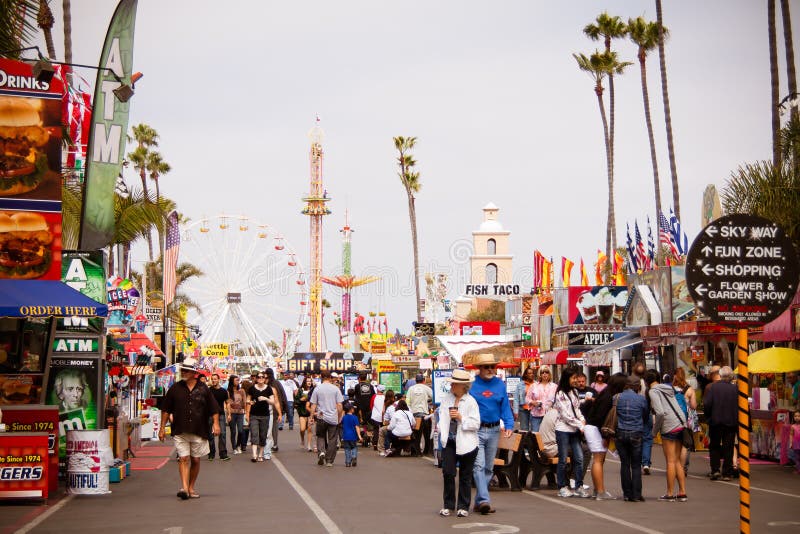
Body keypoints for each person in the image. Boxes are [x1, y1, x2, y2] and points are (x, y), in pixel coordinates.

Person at [158, 357, 220, 500]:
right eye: (183, 370)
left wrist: (216, 424)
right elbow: (166, 409)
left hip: (199, 429)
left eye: (187, 370)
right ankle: (184, 488)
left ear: (194, 373)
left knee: (196, 460)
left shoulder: (203, 388)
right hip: (180, 429)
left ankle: (191, 487)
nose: (184, 372)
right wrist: (162, 428)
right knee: (183, 458)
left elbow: (214, 408)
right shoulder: (175, 388)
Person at [469, 353, 514, 515]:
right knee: (478, 466)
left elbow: (505, 407)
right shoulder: (471, 385)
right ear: (479, 368)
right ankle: (485, 500)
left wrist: (509, 424)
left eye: (492, 366)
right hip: (477, 430)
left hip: (495, 430)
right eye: (486, 366)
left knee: (488, 468)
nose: (489, 369)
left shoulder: (500, 385)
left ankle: (479, 501)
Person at [437, 369, 480, 518]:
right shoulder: (446, 399)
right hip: (449, 441)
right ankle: (448, 505)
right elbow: (441, 417)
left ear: (463, 386)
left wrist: (461, 418)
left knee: (465, 475)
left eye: (455, 384)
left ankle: (463, 506)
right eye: (452, 383)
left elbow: (476, 424)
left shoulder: (470, 401)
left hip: (467, 443)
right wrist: (440, 430)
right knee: (448, 472)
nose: (452, 386)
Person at [646, 370, 688, 502]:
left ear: (647, 381)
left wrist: (654, 432)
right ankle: (682, 492)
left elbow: (660, 413)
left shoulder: (653, 391)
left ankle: (669, 493)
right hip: (681, 422)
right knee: (677, 461)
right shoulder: (668, 387)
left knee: (670, 461)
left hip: (669, 426)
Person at [585, 373, 627, 500]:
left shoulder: (606, 393)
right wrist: (605, 435)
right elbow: (600, 417)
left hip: (592, 427)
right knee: (598, 459)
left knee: (598, 460)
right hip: (595, 429)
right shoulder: (608, 396)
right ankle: (600, 491)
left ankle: (597, 490)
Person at [554, 367, 590, 498]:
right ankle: (562, 486)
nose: (576, 380)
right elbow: (565, 415)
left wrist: (582, 420)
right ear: (567, 379)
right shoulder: (560, 394)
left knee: (579, 458)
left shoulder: (574, 392)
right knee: (563, 459)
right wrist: (580, 424)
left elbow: (577, 409)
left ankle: (579, 485)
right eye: (573, 378)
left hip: (574, 430)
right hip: (563, 430)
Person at [616, 375, 649, 502]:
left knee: (624, 464)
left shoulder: (617, 397)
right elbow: (645, 416)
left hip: (621, 432)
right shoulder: (641, 399)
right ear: (637, 386)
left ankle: (626, 493)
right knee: (635, 465)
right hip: (636, 432)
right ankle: (636, 494)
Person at [704, 365, 738, 482]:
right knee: (728, 447)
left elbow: (707, 404)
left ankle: (715, 470)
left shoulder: (713, 388)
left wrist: (708, 417)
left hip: (715, 421)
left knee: (714, 446)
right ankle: (727, 473)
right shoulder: (735, 389)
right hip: (731, 422)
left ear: (721, 375)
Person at [309, 369, 344, 467]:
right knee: (332, 439)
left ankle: (321, 452)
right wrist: (339, 416)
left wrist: (312, 416)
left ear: (321, 377)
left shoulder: (317, 389)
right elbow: (340, 405)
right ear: (330, 378)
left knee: (320, 436)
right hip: (333, 417)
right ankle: (329, 460)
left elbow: (313, 404)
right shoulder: (335, 389)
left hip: (321, 416)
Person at [245, 371, 275, 462]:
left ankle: (260, 454)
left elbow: (273, 402)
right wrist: (250, 402)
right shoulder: (252, 388)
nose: (261, 378)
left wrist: (265, 398)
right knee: (254, 434)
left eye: (263, 377)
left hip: (265, 415)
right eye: (259, 377)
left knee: (263, 435)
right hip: (254, 415)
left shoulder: (268, 389)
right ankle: (254, 455)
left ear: (265, 379)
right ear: (256, 379)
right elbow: (247, 400)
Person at [673, 368, 697, 474]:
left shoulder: (670, 389)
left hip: (672, 420)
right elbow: (694, 406)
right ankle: (683, 468)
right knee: (685, 445)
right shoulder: (689, 389)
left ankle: (674, 466)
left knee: (673, 444)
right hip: (685, 420)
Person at [632, 362, 653, 475]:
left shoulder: (632, 382)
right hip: (646, 412)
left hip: (635, 413)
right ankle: (645, 463)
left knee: (636, 439)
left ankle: (637, 462)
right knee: (647, 438)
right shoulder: (647, 383)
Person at [406, 374, 433, 454]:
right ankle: (426, 451)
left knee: (416, 435)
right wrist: (427, 399)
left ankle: (415, 452)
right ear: (423, 380)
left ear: (415, 381)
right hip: (424, 415)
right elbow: (433, 397)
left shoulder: (411, 389)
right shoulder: (427, 388)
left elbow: (408, 401)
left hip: (414, 415)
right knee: (426, 435)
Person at [525, 365, 556, 432]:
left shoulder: (554, 386)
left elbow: (558, 401)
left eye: (546, 372)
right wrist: (533, 402)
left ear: (549, 374)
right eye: (542, 372)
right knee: (536, 435)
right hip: (536, 415)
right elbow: (527, 399)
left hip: (550, 416)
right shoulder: (534, 386)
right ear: (540, 374)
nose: (544, 374)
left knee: (549, 436)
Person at [207, 374, 230, 461]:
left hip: (221, 414)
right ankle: (211, 453)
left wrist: (229, 414)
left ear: (219, 380)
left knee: (223, 433)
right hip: (210, 415)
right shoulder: (208, 391)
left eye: (215, 379)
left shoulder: (224, 391)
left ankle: (223, 454)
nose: (214, 381)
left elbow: (227, 402)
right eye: (212, 379)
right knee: (210, 435)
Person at [265, 369, 285, 452]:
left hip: (272, 409)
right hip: (276, 408)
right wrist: (284, 408)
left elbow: (282, 396)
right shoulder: (277, 383)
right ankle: (274, 444)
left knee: (270, 428)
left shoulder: (269, 384)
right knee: (273, 428)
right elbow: (283, 395)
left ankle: (272, 444)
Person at [226, 375, 246, 455]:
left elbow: (244, 402)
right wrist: (229, 414)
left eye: (238, 380)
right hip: (232, 413)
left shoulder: (242, 391)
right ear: (232, 381)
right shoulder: (228, 392)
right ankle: (234, 447)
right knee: (233, 431)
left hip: (240, 413)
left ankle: (238, 445)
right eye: (236, 380)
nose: (238, 382)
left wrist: (246, 410)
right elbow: (228, 403)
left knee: (241, 431)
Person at [295, 376, 315, 451]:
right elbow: (296, 401)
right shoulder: (300, 390)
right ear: (304, 382)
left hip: (310, 412)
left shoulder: (313, 390)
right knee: (302, 429)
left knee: (310, 429)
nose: (309, 382)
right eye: (307, 381)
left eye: (310, 381)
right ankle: (302, 439)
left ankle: (309, 445)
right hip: (302, 412)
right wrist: (301, 399)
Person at [514, 366, 536, 431]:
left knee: (534, 428)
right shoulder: (520, 385)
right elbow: (516, 398)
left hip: (534, 409)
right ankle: (524, 441)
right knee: (524, 429)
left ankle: (533, 441)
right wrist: (515, 411)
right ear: (526, 375)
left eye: (532, 373)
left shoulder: (536, 384)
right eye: (529, 373)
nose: (531, 375)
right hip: (523, 409)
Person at [341, 402, 363, 467]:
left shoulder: (344, 417)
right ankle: (353, 457)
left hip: (345, 436)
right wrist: (359, 436)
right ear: (351, 409)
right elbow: (357, 427)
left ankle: (348, 462)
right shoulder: (355, 417)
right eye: (353, 408)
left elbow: (341, 423)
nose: (354, 409)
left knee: (347, 449)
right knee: (354, 447)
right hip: (353, 436)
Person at [378, 389, 397, 455]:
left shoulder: (385, 403)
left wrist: (384, 421)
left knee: (381, 430)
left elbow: (383, 412)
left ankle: (381, 450)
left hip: (390, 424)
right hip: (399, 424)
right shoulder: (396, 403)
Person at [370, 384, 386, 450]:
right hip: (383, 416)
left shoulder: (374, 396)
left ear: (378, 389)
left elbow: (371, 405)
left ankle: (375, 444)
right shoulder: (385, 397)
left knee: (376, 430)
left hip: (375, 416)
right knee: (383, 431)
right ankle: (382, 444)